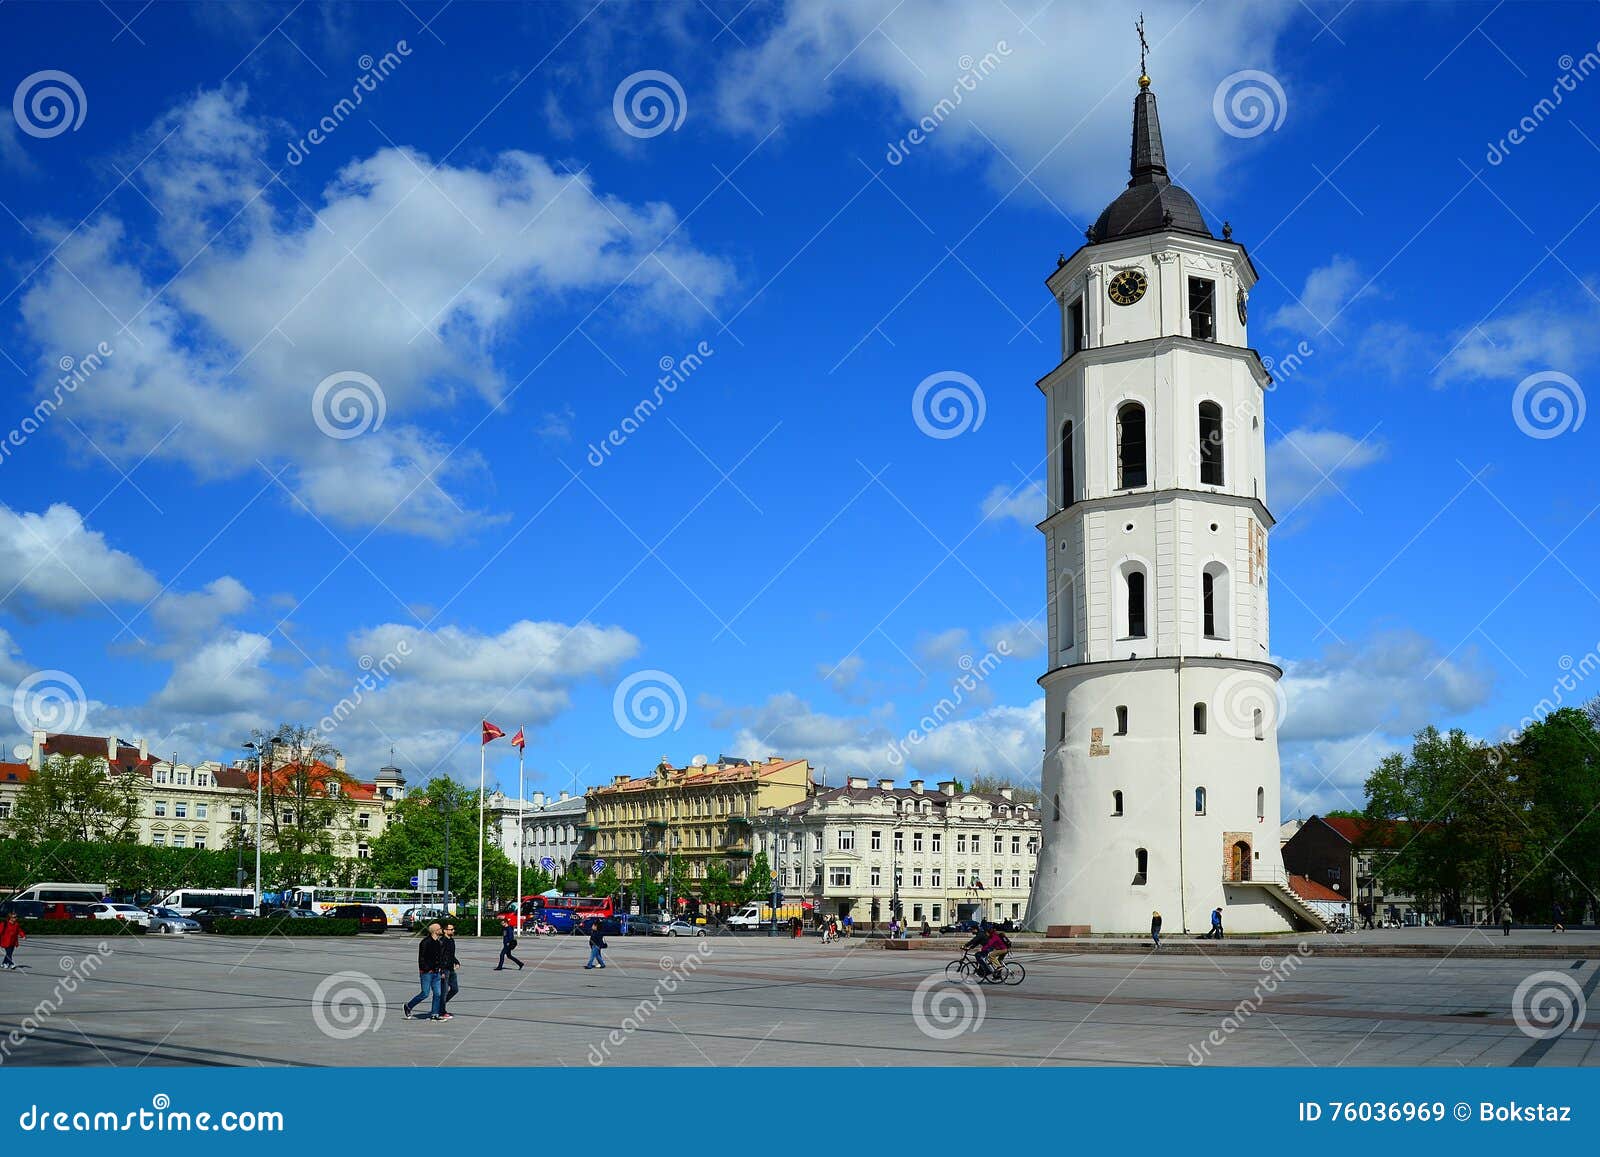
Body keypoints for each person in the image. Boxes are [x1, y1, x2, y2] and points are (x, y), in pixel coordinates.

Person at [404, 923, 446, 1020]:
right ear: (435, 931)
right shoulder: (425, 942)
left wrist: (441, 970)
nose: (441, 930)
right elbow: (421, 958)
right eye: (440, 928)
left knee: (438, 994)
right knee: (425, 993)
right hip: (427, 973)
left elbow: (440, 958)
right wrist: (425, 969)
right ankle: (408, 1006)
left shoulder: (439, 942)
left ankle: (434, 1014)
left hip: (437, 972)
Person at [437, 924, 460, 1018]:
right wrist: (441, 970)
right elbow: (440, 956)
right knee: (444, 991)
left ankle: (439, 1006)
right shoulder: (442, 941)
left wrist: (456, 961)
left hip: (451, 968)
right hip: (444, 969)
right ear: (445, 931)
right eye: (451, 929)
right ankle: (441, 1011)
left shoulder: (451, 940)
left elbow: (451, 954)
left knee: (455, 989)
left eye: (453, 929)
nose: (453, 931)